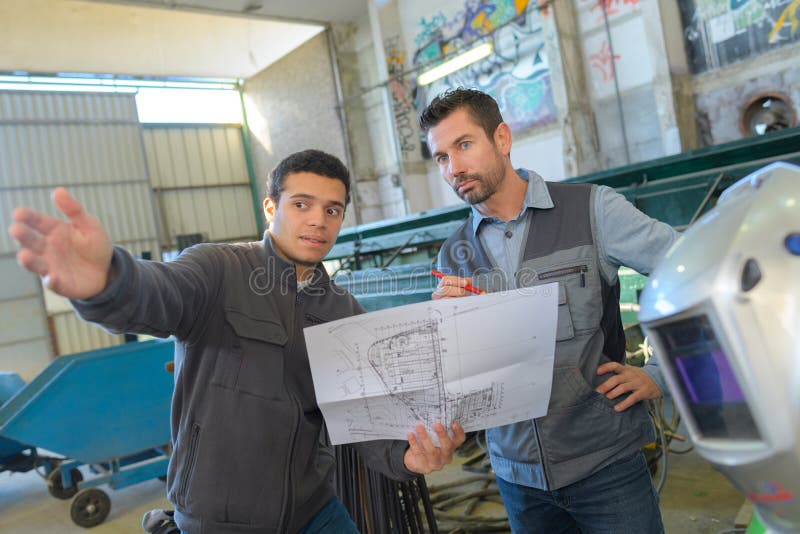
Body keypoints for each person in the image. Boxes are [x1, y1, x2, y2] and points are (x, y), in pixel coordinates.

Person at [8, 149, 466, 534]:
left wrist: (408, 456)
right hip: (221, 517)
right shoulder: (217, 270)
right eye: (302, 204)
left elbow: (363, 414)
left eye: (332, 209)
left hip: (315, 509)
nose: (318, 221)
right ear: (271, 208)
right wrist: (107, 281)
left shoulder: (342, 311)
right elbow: (157, 295)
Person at [420, 88, 678, 533]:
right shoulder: (453, 256)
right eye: (441, 157)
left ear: (501, 138)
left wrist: (662, 374)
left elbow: (695, 272)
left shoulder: (593, 210)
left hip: (606, 468)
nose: (454, 168)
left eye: (464, 145)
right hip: (517, 480)